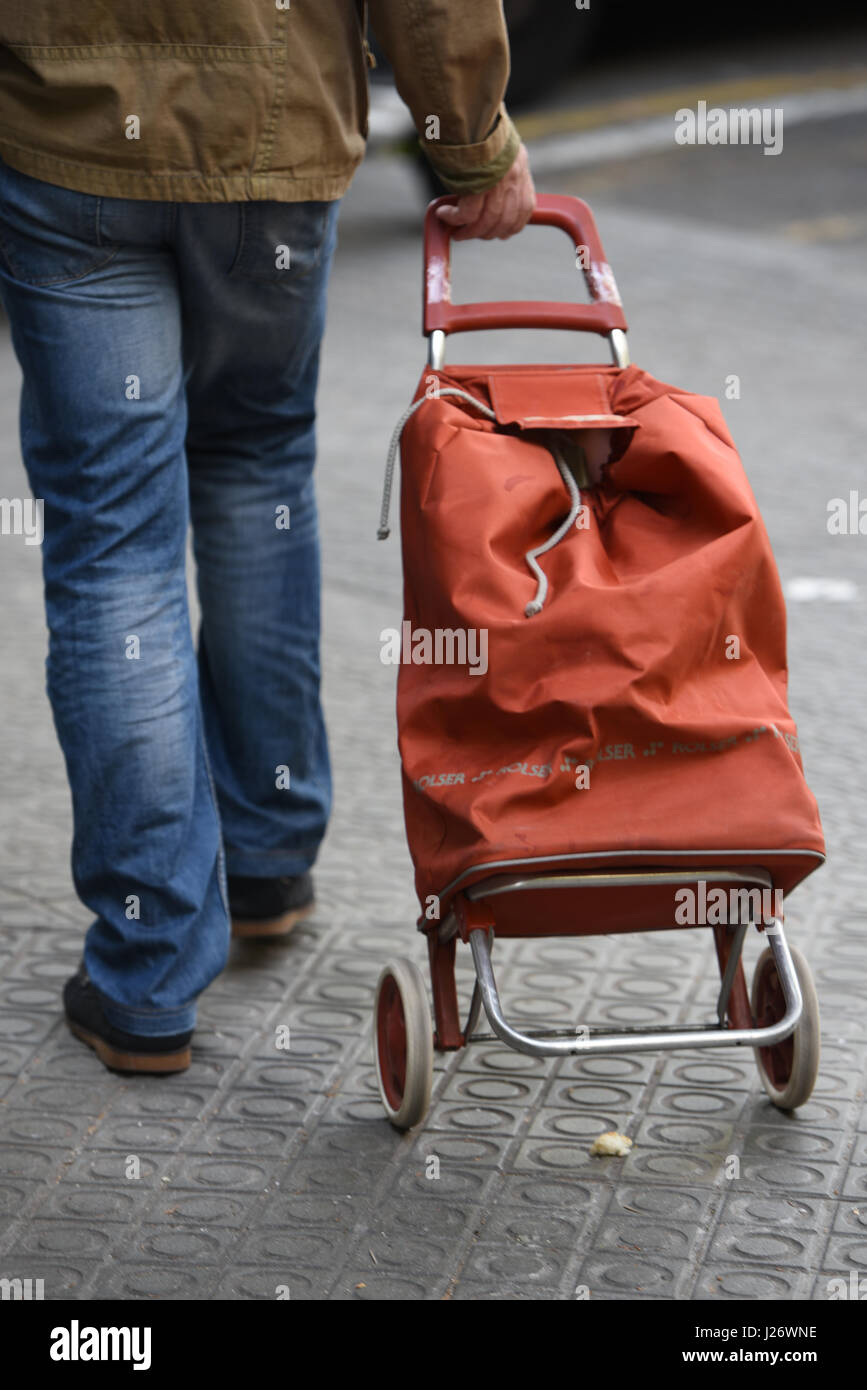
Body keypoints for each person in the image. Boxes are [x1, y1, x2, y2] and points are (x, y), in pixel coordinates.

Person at [0, 2, 536, 1072]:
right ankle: (265, 856)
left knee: (116, 543)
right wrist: (472, 141)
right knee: (255, 470)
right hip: (271, 132)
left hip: (69, 133)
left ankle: (149, 970)